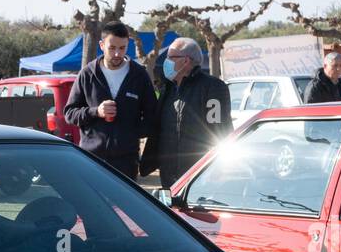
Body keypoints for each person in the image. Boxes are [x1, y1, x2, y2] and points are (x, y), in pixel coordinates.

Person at [63, 20, 156, 179]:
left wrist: (129, 134)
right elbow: (70, 113)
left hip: (126, 162)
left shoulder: (139, 75)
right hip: (91, 159)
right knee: (91, 204)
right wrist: (95, 112)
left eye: (122, 48)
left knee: (124, 205)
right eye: (112, 48)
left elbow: (152, 117)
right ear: (101, 45)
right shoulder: (87, 74)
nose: (117, 54)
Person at [142, 36, 232, 189]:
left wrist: (218, 168)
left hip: (200, 175)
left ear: (186, 61)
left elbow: (219, 130)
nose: (166, 62)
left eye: (171, 57)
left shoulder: (212, 87)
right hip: (168, 174)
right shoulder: (168, 89)